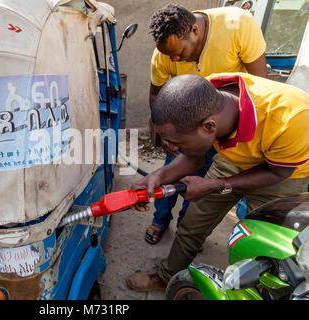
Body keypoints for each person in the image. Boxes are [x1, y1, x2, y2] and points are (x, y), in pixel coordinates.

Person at [125, 72, 309, 291]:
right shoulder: (202, 99)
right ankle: (167, 276)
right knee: (192, 223)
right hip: (233, 161)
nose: (170, 148)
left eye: (174, 142)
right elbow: (194, 156)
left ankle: (249, 292)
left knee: (263, 247)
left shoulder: (292, 116)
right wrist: (158, 176)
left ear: (209, 127)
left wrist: (217, 184)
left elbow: (276, 173)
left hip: (280, 176)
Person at [145, 3, 268, 245]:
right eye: (170, 56)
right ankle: (160, 220)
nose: (175, 59)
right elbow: (155, 95)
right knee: (170, 173)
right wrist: (167, 137)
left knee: (200, 183)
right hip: (184, 131)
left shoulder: (238, 25)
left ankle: (184, 228)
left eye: (179, 53)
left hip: (224, 131)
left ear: (194, 31)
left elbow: (260, 87)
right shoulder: (165, 53)